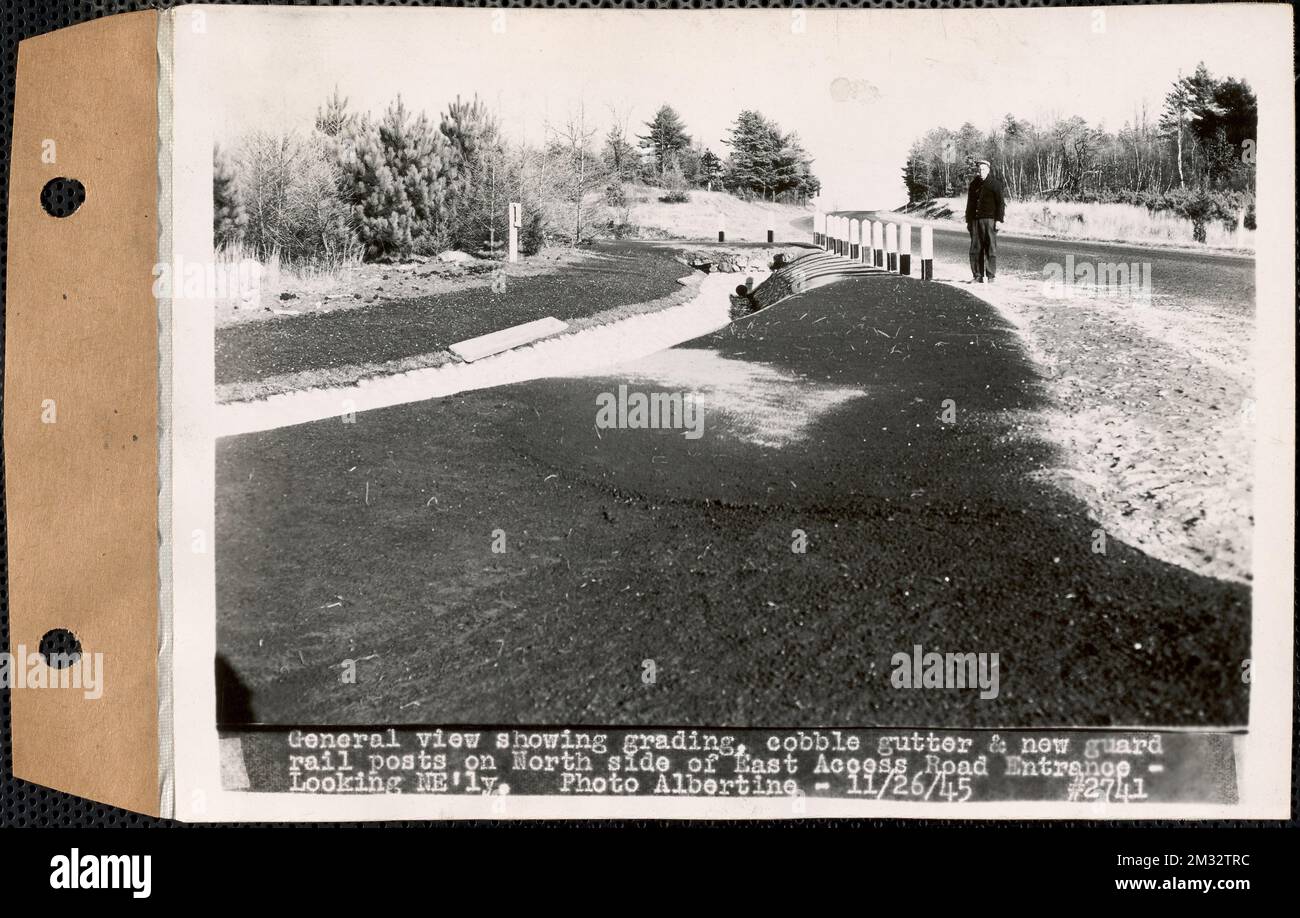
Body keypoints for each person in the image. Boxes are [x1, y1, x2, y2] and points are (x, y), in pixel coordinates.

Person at [964, 159, 1005, 283]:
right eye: (979, 170)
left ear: (988, 170)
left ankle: (991, 276)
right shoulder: (974, 184)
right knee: (975, 249)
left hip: (989, 220)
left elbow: (1001, 204)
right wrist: (968, 221)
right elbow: (970, 204)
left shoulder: (995, 184)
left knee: (990, 248)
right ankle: (978, 276)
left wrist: (999, 220)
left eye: (983, 169)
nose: (981, 172)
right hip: (975, 221)